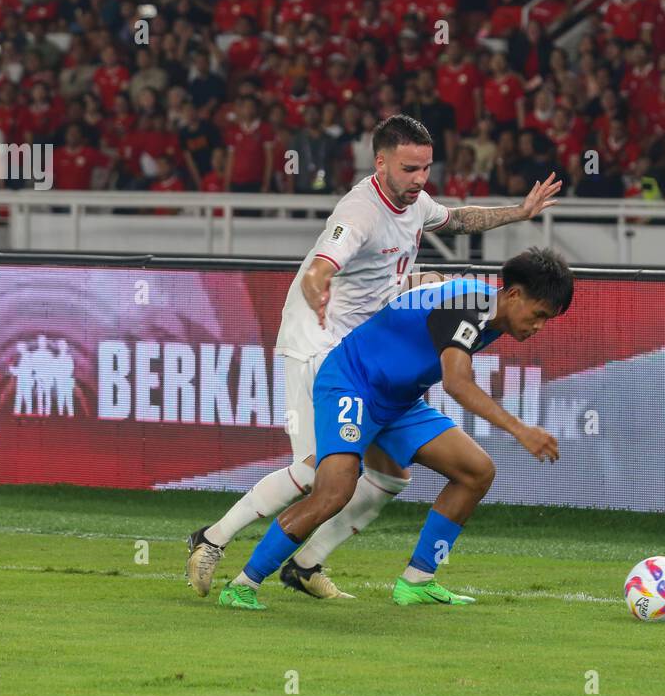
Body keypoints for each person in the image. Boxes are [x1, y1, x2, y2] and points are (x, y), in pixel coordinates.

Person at [185, 115, 562, 599]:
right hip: (318, 338)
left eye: (426, 168)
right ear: (379, 161)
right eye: (409, 168)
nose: (420, 179)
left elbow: (459, 219)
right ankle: (212, 540)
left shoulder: (415, 200)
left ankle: (305, 565)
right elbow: (321, 265)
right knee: (317, 470)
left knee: (388, 474)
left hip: (364, 345)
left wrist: (519, 211)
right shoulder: (359, 212)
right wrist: (317, 288)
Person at [218, 248, 574, 610]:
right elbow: (457, 382)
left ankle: (418, 580)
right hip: (351, 384)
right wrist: (520, 430)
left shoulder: (487, 309)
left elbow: (418, 302)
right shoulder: (466, 307)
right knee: (334, 492)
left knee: (476, 471)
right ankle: (243, 584)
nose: (539, 326)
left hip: (399, 401)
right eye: (539, 314)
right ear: (513, 294)